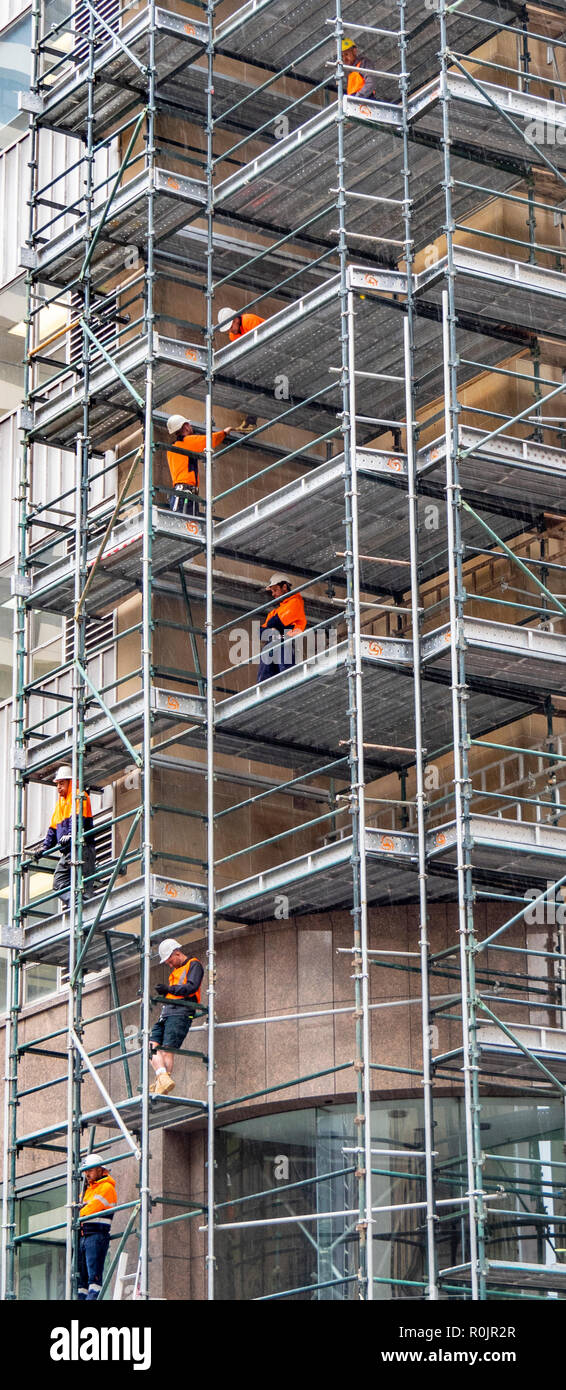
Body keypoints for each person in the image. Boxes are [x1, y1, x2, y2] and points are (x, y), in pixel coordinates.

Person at [35, 764, 96, 909]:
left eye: (62, 783)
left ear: (71, 783)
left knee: (85, 884)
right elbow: (53, 829)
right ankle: (76, 903)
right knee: (58, 883)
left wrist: (70, 834)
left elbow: (78, 819)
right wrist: (44, 847)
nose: (58, 787)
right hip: (69, 851)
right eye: (57, 784)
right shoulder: (60, 804)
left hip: (83, 848)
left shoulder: (79, 796)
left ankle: (85, 909)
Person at [150, 938, 204, 1095]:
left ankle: (163, 1083)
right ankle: (162, 1077)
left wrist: (169, 989)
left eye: (170, 960)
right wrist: (167, 991)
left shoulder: (194, 965)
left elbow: (191, 987)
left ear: (177, 953)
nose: (170, 964)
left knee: (167, 1049)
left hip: (181, 1012)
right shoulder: (175, 973)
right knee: (150, 1046)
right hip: (167, 1012)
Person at [166, 415, 229, 514]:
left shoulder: (173, 447)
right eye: (189, 425)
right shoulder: (186, 442)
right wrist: (225, 432)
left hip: (183, 493)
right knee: (188, 524)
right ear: (186, 426)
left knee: (188, 525)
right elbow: (209, 440)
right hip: (185, 493)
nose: (191, 427)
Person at [216, 308, 266, 432]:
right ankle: (251, 420)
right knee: (252, 385)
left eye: (231, 326)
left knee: (257, 383)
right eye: (228, 329)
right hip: (256, 360)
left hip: (265, 351)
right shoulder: (233, 335)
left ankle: (251, 420)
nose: (231, 330)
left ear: (236, 319)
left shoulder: (249, 320)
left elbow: (262, 341)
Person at [77, 1153, 117, 1301]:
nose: (87, 1174)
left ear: (101, 1170)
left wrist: (78, 1210)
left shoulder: (106, 1187)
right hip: (84, 1235)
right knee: (82, 1277)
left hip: (96, 1235)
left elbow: (86, 1211)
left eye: (90, 1170)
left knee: (93, 1275)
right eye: (86, 1171)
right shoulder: (89, 1190)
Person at [257, 573, 307, 684]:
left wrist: (272, 628)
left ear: (284, 587)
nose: (273, 594)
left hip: (289, 641)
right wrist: (272, 628)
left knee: (280, 646)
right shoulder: (276, 611)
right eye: (272, 592)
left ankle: (287, 680)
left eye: (275, 590)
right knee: (268, 649)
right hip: (278, 642)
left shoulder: (295, 602)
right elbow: (260, 633)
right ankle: (264, 685)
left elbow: (278, 622)